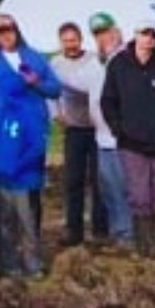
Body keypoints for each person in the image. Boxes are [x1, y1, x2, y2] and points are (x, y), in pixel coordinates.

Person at [0, 15, 60, 277]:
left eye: (9, 30)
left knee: (29, 195)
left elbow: (55, 88)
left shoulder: (34, 57)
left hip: (30, 132)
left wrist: (36, 83)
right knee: (4, 197)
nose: (5, 35)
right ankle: (6, 257)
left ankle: (31, 255)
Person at [101, 25, 155, 258]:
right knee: (140, 197)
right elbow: (108, 101)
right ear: (135, 36)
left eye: (153, 35)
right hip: (132, 145)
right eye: (144, 34)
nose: (149, 39)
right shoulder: (119, 65)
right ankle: (144, 249)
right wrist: (120, 130)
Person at [49, 22, 108, 247]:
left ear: (80, 40)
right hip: (73, 128)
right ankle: (74, 230)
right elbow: (52, 92)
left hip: (96, 127)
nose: (70, 45)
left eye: (73, 40)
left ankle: (101, 229)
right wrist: (56, 114)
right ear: (60, 42)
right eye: (66, 41)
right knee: (73, 180)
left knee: (99, 180)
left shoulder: (93, 60)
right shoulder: (56, 63)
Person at [84, 13, 133, 249]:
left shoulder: (126, 61)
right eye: (98, 35)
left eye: (106, 32)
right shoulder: (96, 64)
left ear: (117, 31)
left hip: (122, 139)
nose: (103, 38)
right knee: (109, 190)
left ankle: (129, 236)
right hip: (101, 138)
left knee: (125, 188)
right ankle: (118, 232)